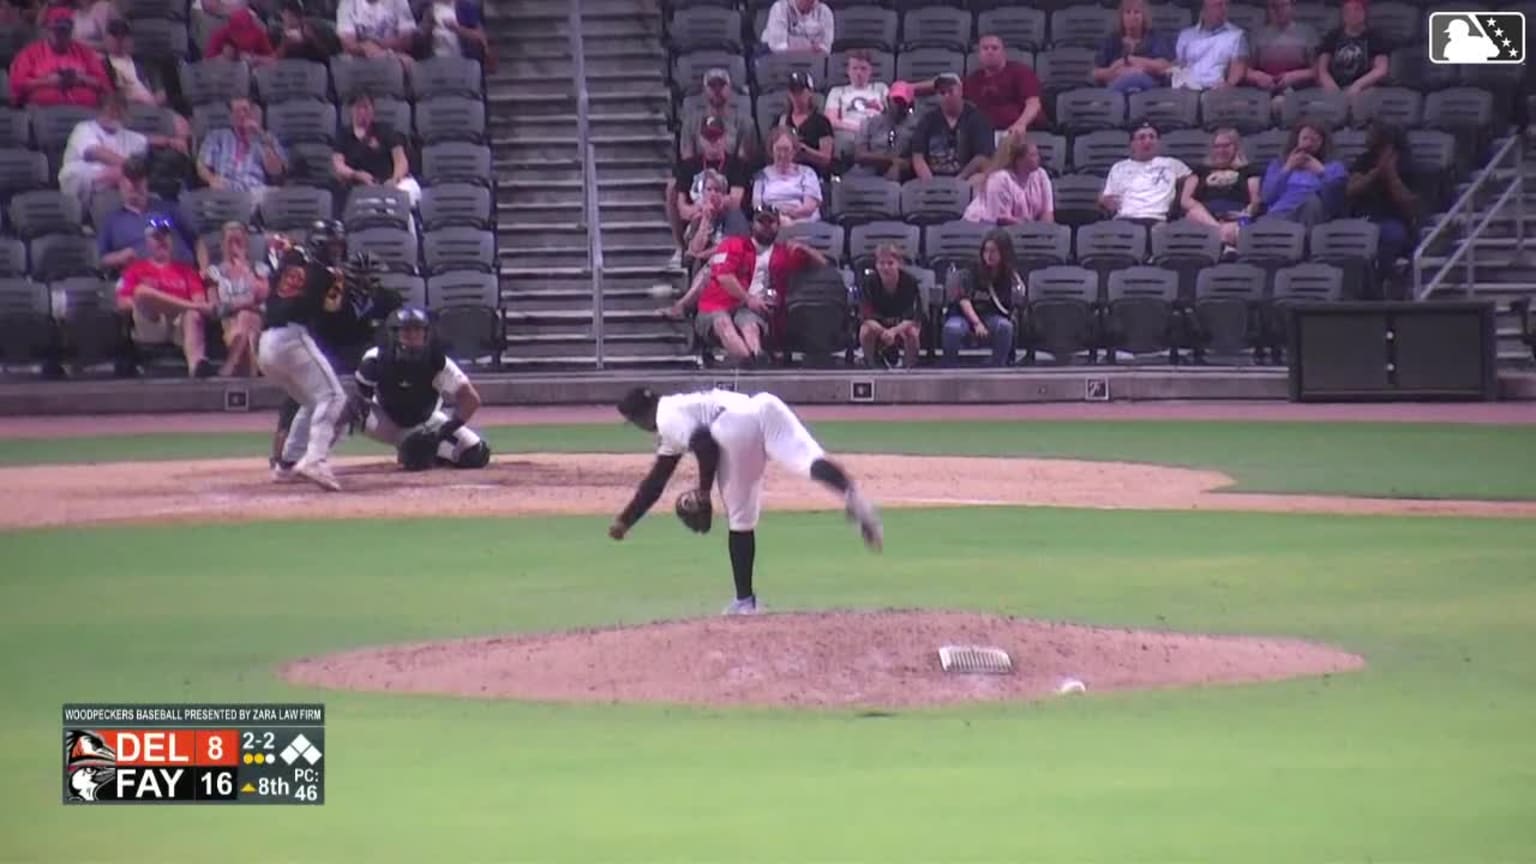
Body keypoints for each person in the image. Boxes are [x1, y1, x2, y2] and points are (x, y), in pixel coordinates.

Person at [609, 386, 882, 615]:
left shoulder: (666, 418)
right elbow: (656, 482)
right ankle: (852, 495)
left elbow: (704, 443)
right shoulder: (679, 408)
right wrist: (625, 520)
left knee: (740, 520)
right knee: (808, 460)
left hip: (731, 427)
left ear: (640, 418)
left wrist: (704, 492)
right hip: (764, 406)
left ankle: (745, 602)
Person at [259, 221, 353, 492]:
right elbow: (332, 309)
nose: (336, 250)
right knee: (334, 398)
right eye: (332, 245)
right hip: (291, 337)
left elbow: (275, 244)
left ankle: (287, 463)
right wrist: (341, 281)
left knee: (312, 401)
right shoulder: (328, 273)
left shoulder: (292, 256)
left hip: (266, 344)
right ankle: (315, 460)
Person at [348, 307, 491, 471]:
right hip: (386, 421)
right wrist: (405, 438)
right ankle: (317, 457)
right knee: (344, 408)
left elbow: (471, 399)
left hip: (426, 422)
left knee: (476, 454)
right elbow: (360, 398)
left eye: (418, 330)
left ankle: (434, 454)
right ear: (394, 333)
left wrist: (439, 435)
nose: (414, 336)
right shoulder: (375, 359)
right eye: (407, 330)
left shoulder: (438, 362)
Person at [688, 206, 826, 365]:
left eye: (771, 221)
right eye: (761, 221)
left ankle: (756, 356)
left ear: (778, 225)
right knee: (722, 322)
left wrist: (804, 248)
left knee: (750, 324)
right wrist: (748, 299)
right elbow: (724, 276)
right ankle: (748, 360)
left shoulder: (783, 252)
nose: (766, 226)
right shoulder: (733, 244)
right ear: (752, 224)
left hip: (755, 311)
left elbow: (823, 264)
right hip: (715, 306)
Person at [114, 217, 217, 378]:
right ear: (148, 242)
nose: (162, 242)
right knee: (142, 292)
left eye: (165, 237)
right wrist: (157, 304)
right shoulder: (135, 270)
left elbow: (199, 302)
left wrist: (177, 307)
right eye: (156, 238)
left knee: (193, 314)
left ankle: (197, 366)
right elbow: (122, 303)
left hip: (179, 325)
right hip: (150, 323)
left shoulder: (187, 271)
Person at [668, 115, 751, 268]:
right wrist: (702, 209)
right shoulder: (688, 166)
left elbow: (734, 201)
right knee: (696, 218)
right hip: (697, 220)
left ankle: (698, 255)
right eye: (708, 137)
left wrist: (711, 206)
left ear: (725, 138)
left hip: (725, 221)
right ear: (701, 139)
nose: (713, 142)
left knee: (734, 216)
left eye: (717, 137)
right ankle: (684, 250)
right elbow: (683, 210)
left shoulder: (737, 165)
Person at [1346, 122, 1417, 294]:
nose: (1367, 136)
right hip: (1364, 218)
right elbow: (1351, 189)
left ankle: (1384, 282)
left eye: (1373, 132)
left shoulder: (1407, 162)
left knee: (1392, 235)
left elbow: (1409, 203)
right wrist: (1377, 172)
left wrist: (1391, 174)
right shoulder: (1364, 160)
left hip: (1393, 218)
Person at [97, 157, 198, 272]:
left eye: (139, 179)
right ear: (121, 184)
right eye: (130, 179)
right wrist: (119, 257)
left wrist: (204, 270)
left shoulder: (169, 208)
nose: (135, 184)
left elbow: (197, 241)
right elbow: (101, 260)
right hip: (146, 277)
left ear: (146, 182)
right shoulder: (112, 221)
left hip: (184, 273)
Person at [942, 228, 1021, 367]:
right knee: (952, 329)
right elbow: (963, 300)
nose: (989, 255)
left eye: (994, 251)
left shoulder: (1008, 275)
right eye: (986, 250)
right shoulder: (971, 269)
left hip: (990, 315)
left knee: (1005, 327)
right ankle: (950, 369)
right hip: (963, 316)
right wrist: (977, 323)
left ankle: (997, 368)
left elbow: (1007, 306)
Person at [58, 90, 146, 211]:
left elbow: (146, 141)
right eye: (111, 109)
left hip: (119, 181)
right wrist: (130, 167)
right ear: (100, 110)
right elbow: (96, 152)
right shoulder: (83, 129)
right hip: (82, 180)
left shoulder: (133, 138)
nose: (115, 114)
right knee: (122, 173)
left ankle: (135, 212)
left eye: (119, 110)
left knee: (130, 176)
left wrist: (167, 141)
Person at [8, 5, 111, 107]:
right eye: (57, 31)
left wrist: (81, 79)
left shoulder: (85, 53)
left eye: (65, 31)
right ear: (48, 30)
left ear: (71, 31)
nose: (61, 36)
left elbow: (104, 84)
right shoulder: (29, 53)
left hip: (85, 111)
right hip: (43, 113)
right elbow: (18, 85)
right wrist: (48, 81)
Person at [196, 97, 288, 207]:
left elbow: (276, 172)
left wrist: (262, 138)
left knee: (278, 197)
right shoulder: (216, 137)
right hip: (225, 187)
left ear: (253, 113)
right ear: (230, 116)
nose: (242, 114)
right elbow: (201, 165)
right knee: (208, 203)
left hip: (255, 190)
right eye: (236, 111)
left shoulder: (266, 139)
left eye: (245, 110)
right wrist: (211, 179)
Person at [334, 92, 420, 208]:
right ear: (351, 110)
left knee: (407, 193)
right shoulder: (343, 136)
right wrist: (356, 174)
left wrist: (394, 180)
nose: (363, 112)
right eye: (359, 108)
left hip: (390, 182)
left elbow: (401, 161)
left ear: (373, 110)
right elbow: (338, 165)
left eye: (366, 107)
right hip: (360, 187)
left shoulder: (386, 131)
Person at [1178, 127, 1260, 246]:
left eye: (1226, 146)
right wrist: (1207, 215)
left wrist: (1244, 214)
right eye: (1217, 146)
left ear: (1236, 147)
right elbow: (1185, 200)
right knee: (1193, 213)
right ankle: (1222, 237)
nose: (1221, 150)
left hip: (1235, 215)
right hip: (1204, 216)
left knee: (1236, 228)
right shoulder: (1200, 170)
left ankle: (1223, 243)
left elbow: (1255, 201)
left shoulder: (1249, 170)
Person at [204, 221, 266, 377]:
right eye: (230, 241)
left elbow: (263, 298)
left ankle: (230, 365)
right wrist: (245, 304)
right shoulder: (214, 273)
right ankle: (254, 374)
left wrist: (245, 267)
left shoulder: (259, 268)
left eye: (238, 241)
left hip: (258, 321)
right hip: (229, 324)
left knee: (248, 318)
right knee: (247, 322)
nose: (234, 247)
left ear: (246, 243)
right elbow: (216, 309)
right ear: (222, 245)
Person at [1101, 122, 1192, 224]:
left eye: (1152, 137)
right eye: (1142, 137)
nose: (1148, 141)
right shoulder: (1119, 167)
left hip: (1158, 220)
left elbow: (1193, 178)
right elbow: (1106, 197)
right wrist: (1106, 201)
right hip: (1125, 219)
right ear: (1132, 144)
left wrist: (1185, 198)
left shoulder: (1172, 164)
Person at [1260, 120, 1347, 226]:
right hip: (1280, 215)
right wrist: (1288, 168)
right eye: (1305, 138)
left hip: (1313, 216)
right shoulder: (1278, 165)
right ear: (1296, 140)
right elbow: (1267, 197)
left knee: (1312, 202)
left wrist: (1320, 171)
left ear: (1323, 143)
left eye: (1315, 140)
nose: (1309, 143)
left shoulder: (1334, 167)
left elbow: (1336, 199)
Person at [911, 73, 995, 181]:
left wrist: (959, 180)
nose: (946, 96)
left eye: (950, 91)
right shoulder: (927, 120)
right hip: (934, 177)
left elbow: (982, 157)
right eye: (942, 93)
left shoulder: (977, 119)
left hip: (965, 179)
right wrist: (928, 181)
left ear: (961, 91)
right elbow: (918, 156)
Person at [963, 132, 1054, 225]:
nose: (1038, 158)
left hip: (1022, 228)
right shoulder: (1000, 179)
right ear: (1019, 160)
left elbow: (1047, 212)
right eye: (1033, 155)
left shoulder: (1041, 174)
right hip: (980, 225)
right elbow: (1002, 219)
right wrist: (1029, 228)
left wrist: (1044, 232)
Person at [963, 33, 1043, 138]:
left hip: (1021, 132)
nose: (989, 52)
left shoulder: (1021, 72)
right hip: (987, 134)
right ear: (979, 54)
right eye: (985, 48)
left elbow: (1033, 104)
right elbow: (952, 91)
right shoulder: (974, 79)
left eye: (995, 48)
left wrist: (1021, 124)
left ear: (1004, 53)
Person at [1243, 0, 1318, 112]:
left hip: (1299, 90)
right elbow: (1245, 70)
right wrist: (1256, 76)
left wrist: (1296, 76)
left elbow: (1318, 70)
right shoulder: (1257, 35)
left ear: (1292, 6)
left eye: (1282, 5)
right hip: (1264, 90)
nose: (1278, 10)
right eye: (1273, 6)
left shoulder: (1307, 33)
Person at [858, 244, 922, 370]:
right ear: (876, 265)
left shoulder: (910, 282)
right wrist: (883, 332)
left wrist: (894, 331)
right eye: (881, 263)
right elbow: (866, 316)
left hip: (902, 324)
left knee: (913, 333)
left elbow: (912, 317)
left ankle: (907, 368)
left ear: (899, 263)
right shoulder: (868, 283)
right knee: (865, 332)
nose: (885, 267)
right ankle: (872, 367)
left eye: (890, 263)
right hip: (878, 325)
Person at [1093, 0, 1176, 94]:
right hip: (1116, 85)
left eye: (1137, 12)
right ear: (1121, 17)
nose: (1132, 17)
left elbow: (1165, 66)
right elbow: (1096, 72)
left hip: (1149, 88)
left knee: (1135, 78)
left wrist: (1135, 62)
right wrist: (1113, 72)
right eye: (1128, 12)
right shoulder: (1112, 40)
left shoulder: (1155, 38)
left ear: (1144, 16)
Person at [679, 67, 758, 162]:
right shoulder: (690, 122)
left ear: (730, 89)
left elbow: (743, 160)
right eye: (712, 85)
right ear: (704, 90)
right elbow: (687, 159)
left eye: (722, 85)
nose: (717, 90)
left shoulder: (746, 123)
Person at [1315, 0, 1389, 97]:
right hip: (1335, 88)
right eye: (1347, 11)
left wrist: (1358, 85)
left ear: (1364, 13)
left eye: (1357, 10)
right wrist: (1333, 90)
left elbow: (1381, 69)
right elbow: (1322, 70)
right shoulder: (1332, 36)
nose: (1352, 14)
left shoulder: (1375, 37)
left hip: (1365, 89)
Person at [1172, 0, 1248, 91]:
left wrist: (1229, 85)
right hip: (1186, 90)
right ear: (1203, 10)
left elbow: (1238, 68)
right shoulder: (1186, 36)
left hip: (1216, 92)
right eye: (1218, 5)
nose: (1224, 9)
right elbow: (1179, 64)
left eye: (1226, 5)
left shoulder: (1237, 35)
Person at [752, 128, 822, 225]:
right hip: (772, 224)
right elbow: (757, 207)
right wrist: (777, 219)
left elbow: (809, 208)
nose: (782, 154)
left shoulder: (807, 173)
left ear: (794, 151)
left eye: (786, 149)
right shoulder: (761, 175)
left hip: (803, 223)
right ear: (771, 151)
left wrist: (788, 216)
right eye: (778, 149)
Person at [851, 80, 918, 181]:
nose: (898, 106)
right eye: (895, 100)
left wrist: (899, 165)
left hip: (903, 172)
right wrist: (891, 160)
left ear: (910, 104)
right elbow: (860, 155)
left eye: (902, 102)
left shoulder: (917, 126)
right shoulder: (870, 123)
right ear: (887, 100)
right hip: (869, 168)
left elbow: (916, 159)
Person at [775, 71, 834, 177]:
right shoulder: (781, 121)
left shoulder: (821, 122)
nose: (796, 96)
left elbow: (826, 158)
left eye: (800, 91)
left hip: (812, 174)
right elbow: (770, 152)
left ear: (810, 92)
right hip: (786, 173)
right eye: (793, 92)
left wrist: (805, 151)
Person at [825, 51, 888, 140]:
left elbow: (891, 116)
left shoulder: (881, 88)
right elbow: (831, 120)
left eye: (863, 68)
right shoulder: (837, 91)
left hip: (876, 132)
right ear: (848, 71)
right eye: (855, 68)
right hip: (848, 132)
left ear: (870, 70)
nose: (859, 73)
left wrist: (881, 108)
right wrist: (859, 129)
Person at [337, 0, 417, 65]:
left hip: (393, 56)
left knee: (408, 62)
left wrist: (375, 45)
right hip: (360, 58)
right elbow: (347, 45)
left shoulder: (399, 2)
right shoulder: (347, 2)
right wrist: (365, 49)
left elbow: (407, 41)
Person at [207, 1, 276, 64]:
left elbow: (273, 60)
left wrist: (255, 59)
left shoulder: (258, 33)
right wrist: (223, 57)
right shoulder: (219, 35)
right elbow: (205, 64)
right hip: (227, 74)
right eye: (238, 32)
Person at [760, 0, 832, 55]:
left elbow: (825, 48)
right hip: (771, 54)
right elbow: (778, 46)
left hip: (811, 57)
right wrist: (808, 49)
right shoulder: (779, 8)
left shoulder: (824, 11)